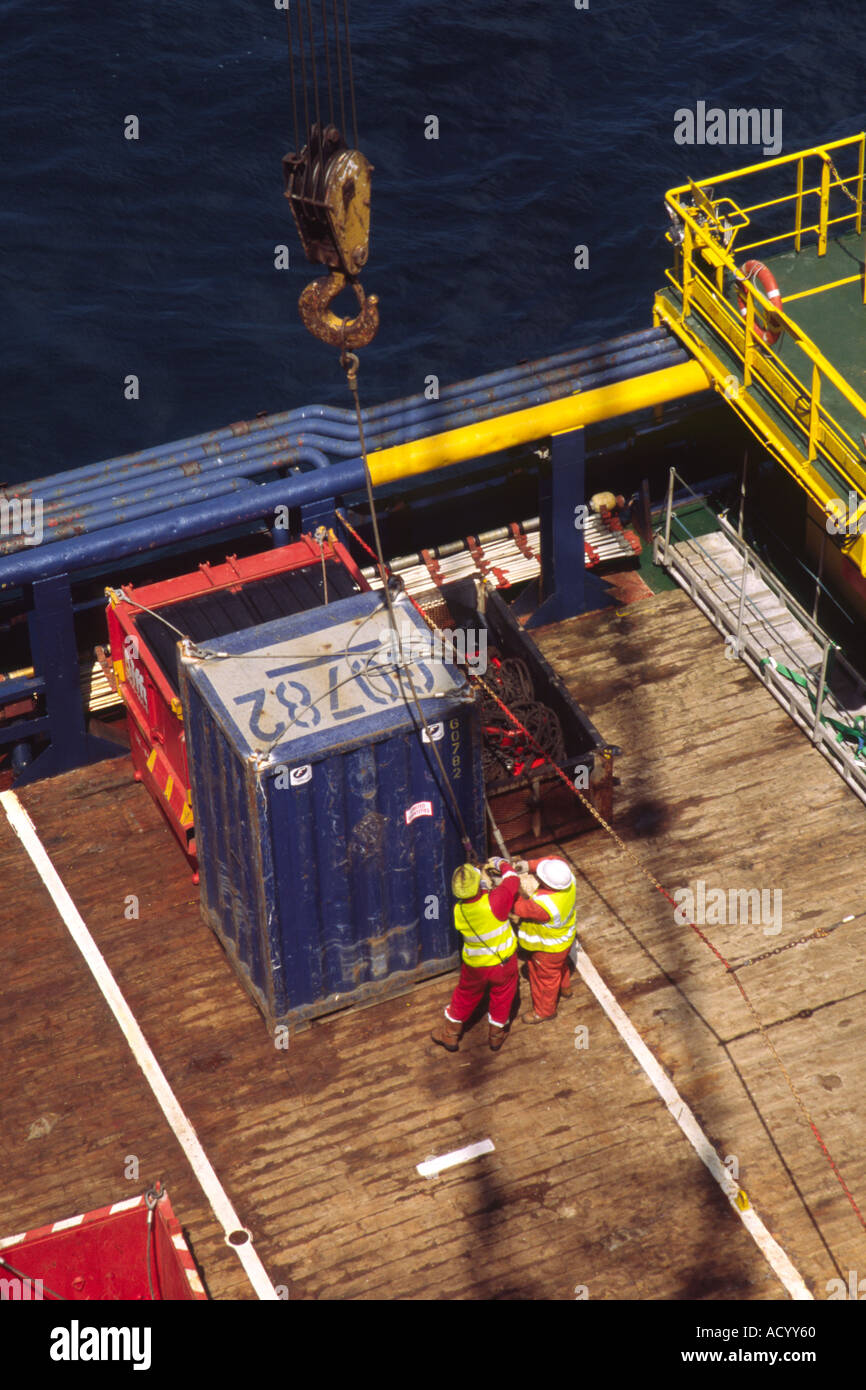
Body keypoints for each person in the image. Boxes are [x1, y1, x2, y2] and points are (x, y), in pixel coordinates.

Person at [431, 858, 521, 1053]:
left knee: (465, 995)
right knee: (502, 996)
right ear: (479, 884)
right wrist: (500, 864)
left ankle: (450, 1033)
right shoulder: (496, 900)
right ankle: (496, 1036)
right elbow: (513, 880)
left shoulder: (459, 911)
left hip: (475, 967)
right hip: (504, 964)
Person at [511, 856, 577, 1023]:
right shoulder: (568, 880)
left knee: (545, 980)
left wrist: (507, 884)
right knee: (559, 966)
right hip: (564, 940)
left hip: (546, 950)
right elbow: (557, 860)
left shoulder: (543, 905)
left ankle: (545, 1011)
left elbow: (517, 907)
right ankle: (565, 987)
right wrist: (528, 865)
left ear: (547, 884)